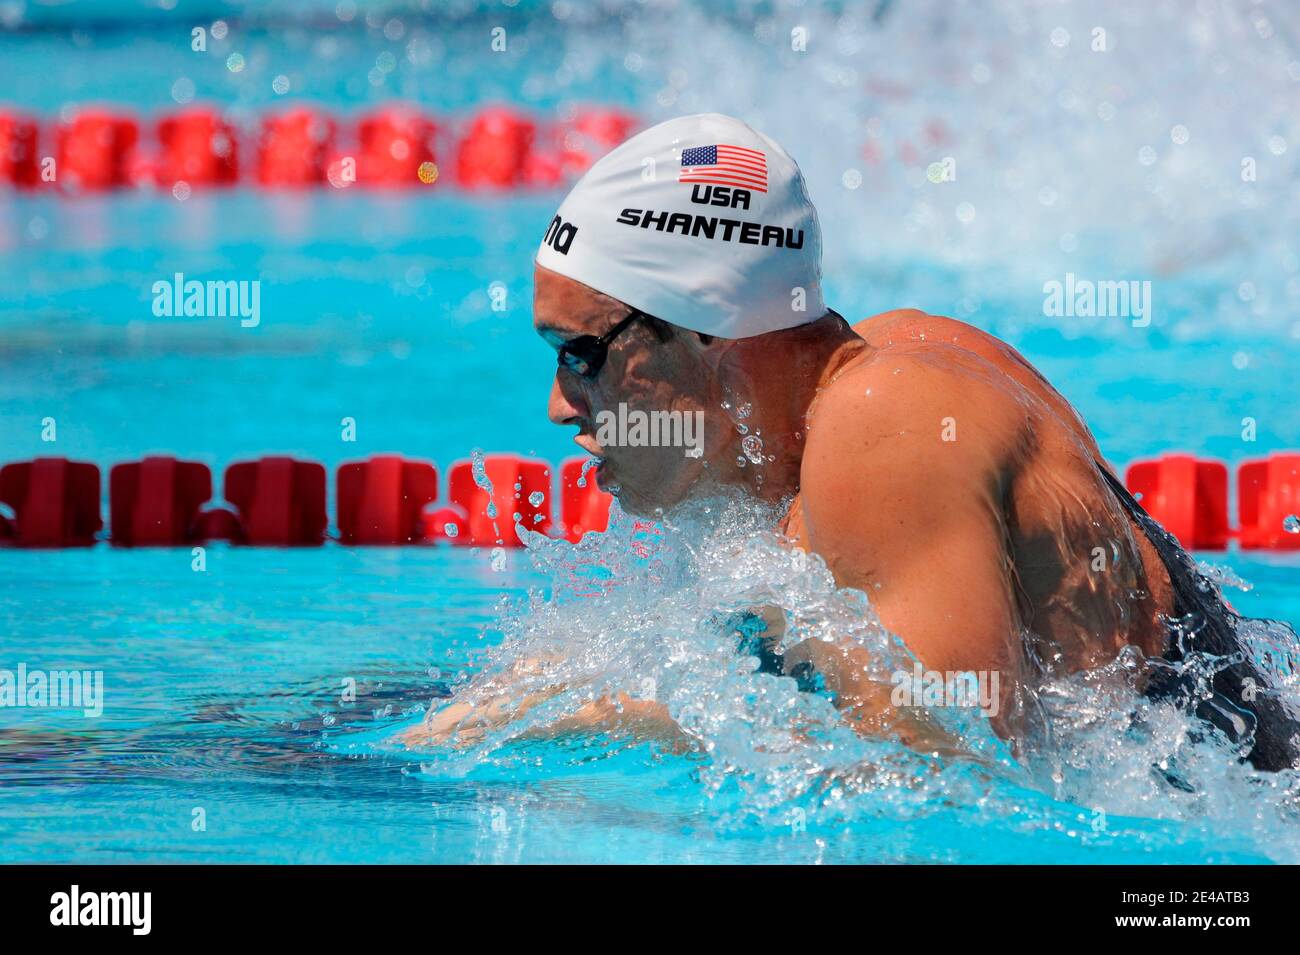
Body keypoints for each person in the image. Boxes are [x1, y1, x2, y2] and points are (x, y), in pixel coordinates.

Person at [412, 113, 1299, 771]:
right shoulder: (890, 359)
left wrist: (599, 713)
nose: (561, 408)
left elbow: (957, 775)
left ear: (707, 330)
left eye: (582, 355)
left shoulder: (886, 422)